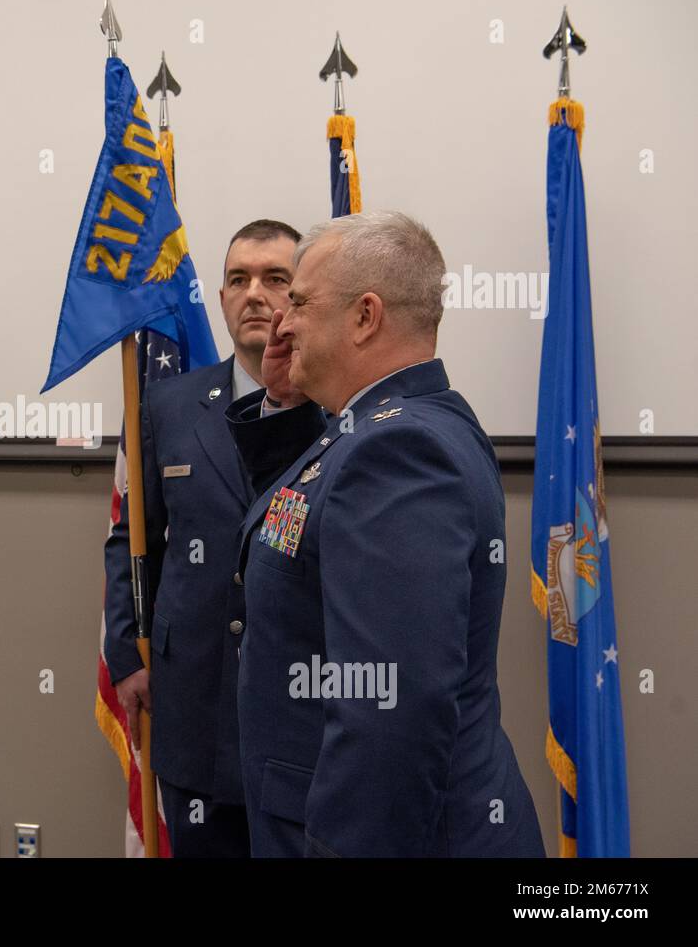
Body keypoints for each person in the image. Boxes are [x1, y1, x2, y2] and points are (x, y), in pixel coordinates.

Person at [226, 211, 544, 857]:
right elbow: (295, 524)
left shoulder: (395, 450)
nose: (281, 323)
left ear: (365, 316)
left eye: (301, 302)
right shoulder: (389, 426)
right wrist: (287, 405)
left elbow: (389, 706)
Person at [103, 219, 301, 856]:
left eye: (276, 279)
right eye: (238, 279)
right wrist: (128, 654)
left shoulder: (334, 409)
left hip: (299, 714)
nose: (255, 294)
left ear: (301, 298)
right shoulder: (167, 406)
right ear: (219, 299)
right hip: (191, 702)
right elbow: (134, 541)